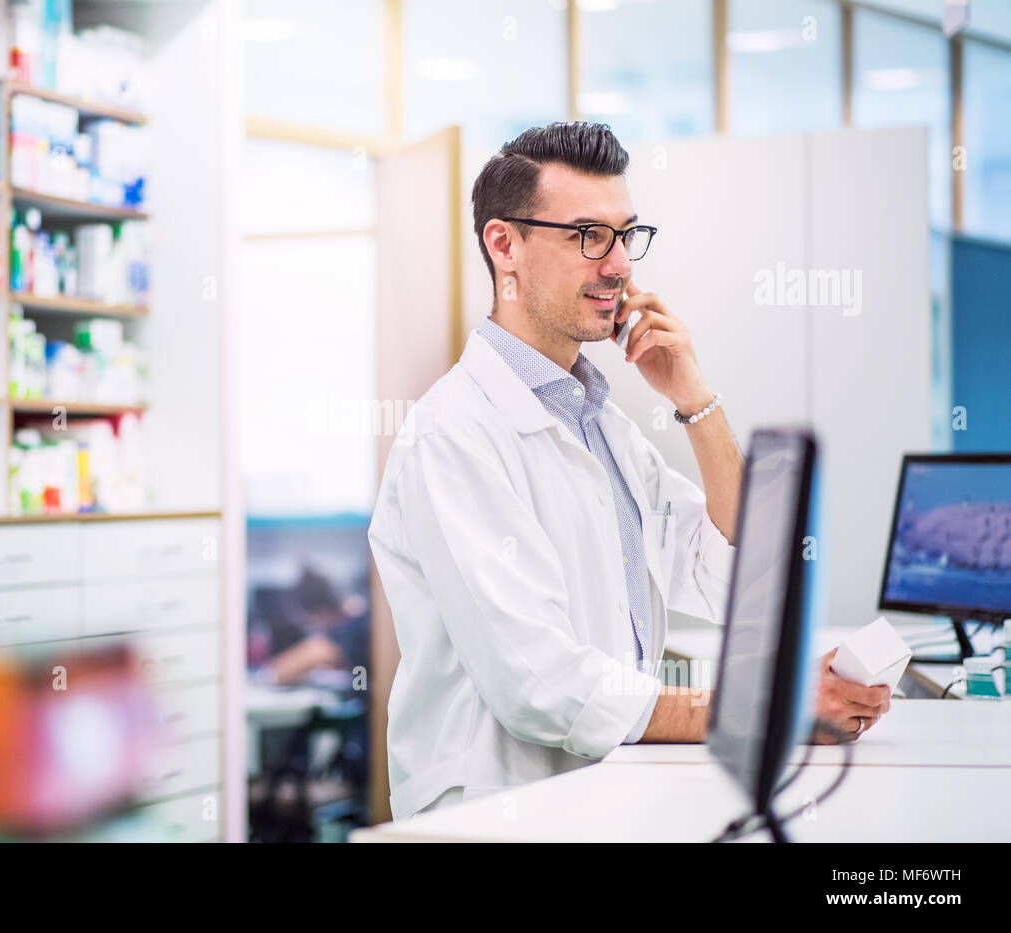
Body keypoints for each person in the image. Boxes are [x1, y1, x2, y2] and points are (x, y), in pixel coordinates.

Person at [367, 121, 891, 820]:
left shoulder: (601, 425)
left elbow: (729, 572)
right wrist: (765, 708)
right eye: (588, 235)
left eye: (626, 235)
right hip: (494, 815)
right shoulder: (453, 435)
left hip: (599, 799)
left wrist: (694, 400)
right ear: (504, 245)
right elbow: (542, 684)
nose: (619, 266)